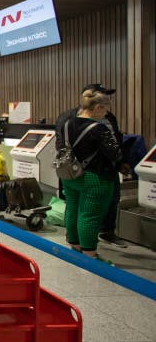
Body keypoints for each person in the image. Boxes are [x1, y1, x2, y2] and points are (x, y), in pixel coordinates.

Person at [56, 84, 130, 248]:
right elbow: (114, 151)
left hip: (71, 173)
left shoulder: (68, 121)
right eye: (105, 105)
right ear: (96, 106)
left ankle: (75, 245)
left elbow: (62, 145)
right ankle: (89, 253)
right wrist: (120, 161)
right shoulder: (97, 126)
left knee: (74, 209)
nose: (107, 111)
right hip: (95, 176)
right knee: (89, 215)